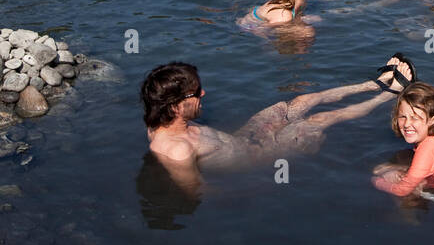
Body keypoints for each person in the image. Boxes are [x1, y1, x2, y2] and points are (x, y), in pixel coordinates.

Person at [141, 56, 416, 185]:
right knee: (318, 120)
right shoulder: (177, 150)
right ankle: (389, 95)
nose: (203, 93)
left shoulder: (157, 121)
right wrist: (262, 184)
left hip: (246, 137)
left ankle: (372, 84)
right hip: (264, 154)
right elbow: (201, 194)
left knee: (299, 102)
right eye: (196, 92)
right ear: (177, 106)